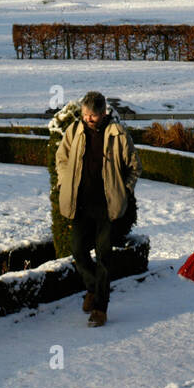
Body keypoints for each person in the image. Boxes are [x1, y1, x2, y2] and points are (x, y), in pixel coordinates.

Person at [56, 91, 141, 327]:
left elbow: (134, 167)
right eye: (85, 114)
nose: (88, 119)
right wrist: (65, 181)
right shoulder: (74, 131)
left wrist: (123, 191)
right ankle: (93, 288)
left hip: (107, 207)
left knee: (104, 256)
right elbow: (61, 158)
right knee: (78, 251)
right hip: (81, 204)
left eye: (92, 115)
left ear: (103, 113)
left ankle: (100, 308)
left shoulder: (118, 134)